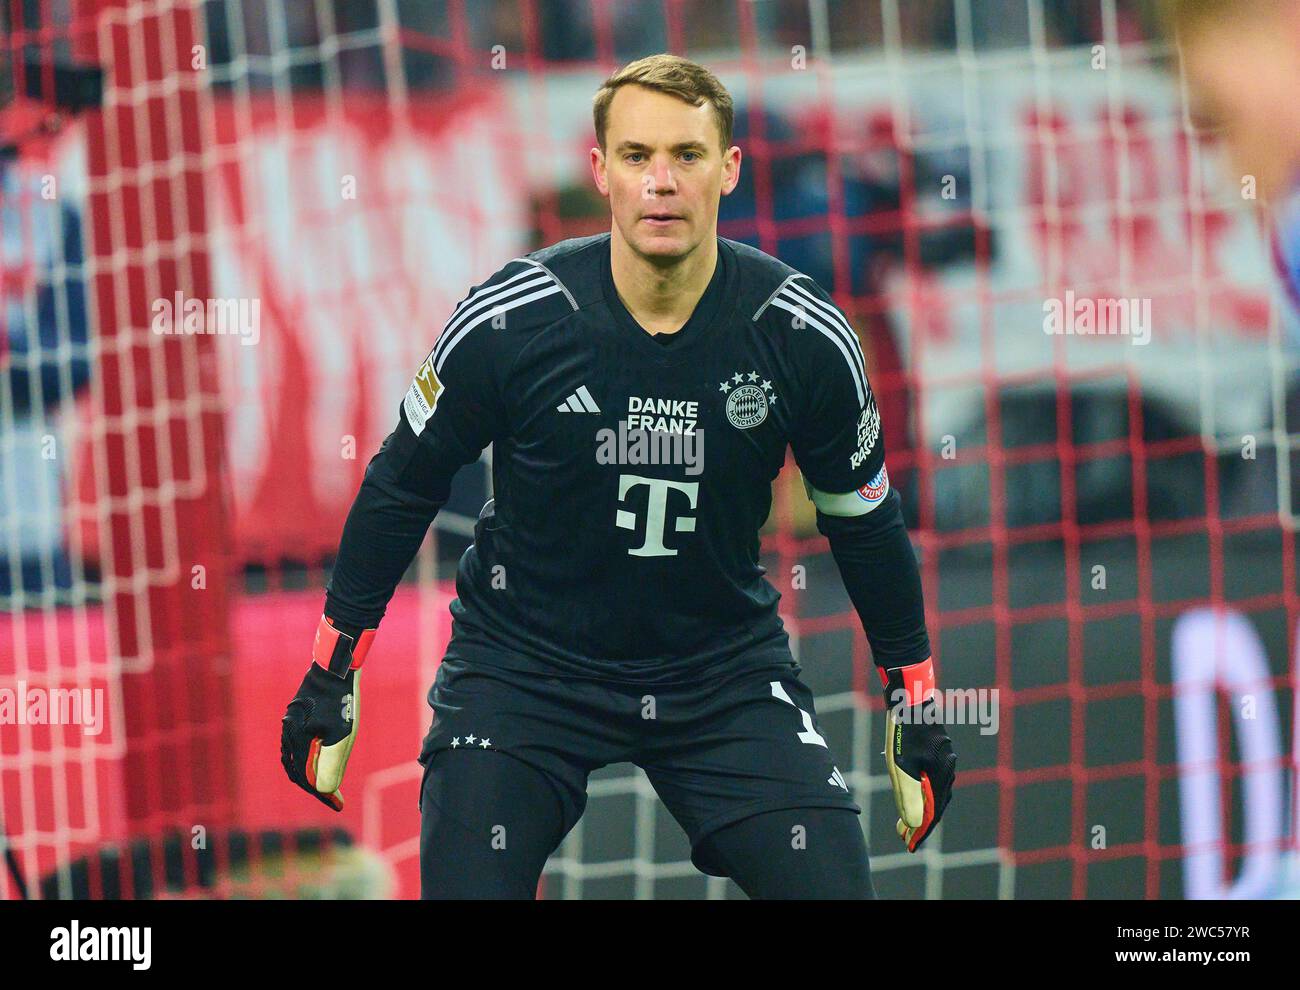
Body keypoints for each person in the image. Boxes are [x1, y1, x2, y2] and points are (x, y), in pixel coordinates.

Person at [280, 53, 956, 899]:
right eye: (636, 157)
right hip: (524, 669)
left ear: (729, 169)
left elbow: (864, 520)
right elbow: (400, 486)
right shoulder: (510, 320)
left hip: (721, 672)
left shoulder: (802, 336)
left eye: (687, 155)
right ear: (601, 172)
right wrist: (330, 671)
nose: (661, 182)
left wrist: (915, 700)